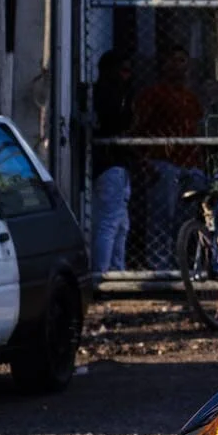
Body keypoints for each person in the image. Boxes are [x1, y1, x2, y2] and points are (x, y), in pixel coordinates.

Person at [133, 46, 205, 269]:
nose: (178, 66)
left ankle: (180, 261)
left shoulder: (190, 98)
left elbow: (195, 128)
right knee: (162, 216)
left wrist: (199, 162)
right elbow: (138, 127)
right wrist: (145, 161)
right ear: (163, 65)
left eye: (182, 61)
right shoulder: (153, 94)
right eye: (173, 61)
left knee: (186, 218)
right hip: (163, 162)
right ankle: (159, 264)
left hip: (189, 163)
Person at [89, 49, 137, 275]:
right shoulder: (109, 96)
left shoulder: (117, 95)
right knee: (109, 222)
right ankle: (102, 272)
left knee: (121, 224)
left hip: (119, 164)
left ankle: (117, 270)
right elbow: (117, 123)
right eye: (123, 71)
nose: (127, 76)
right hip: (110, 164)